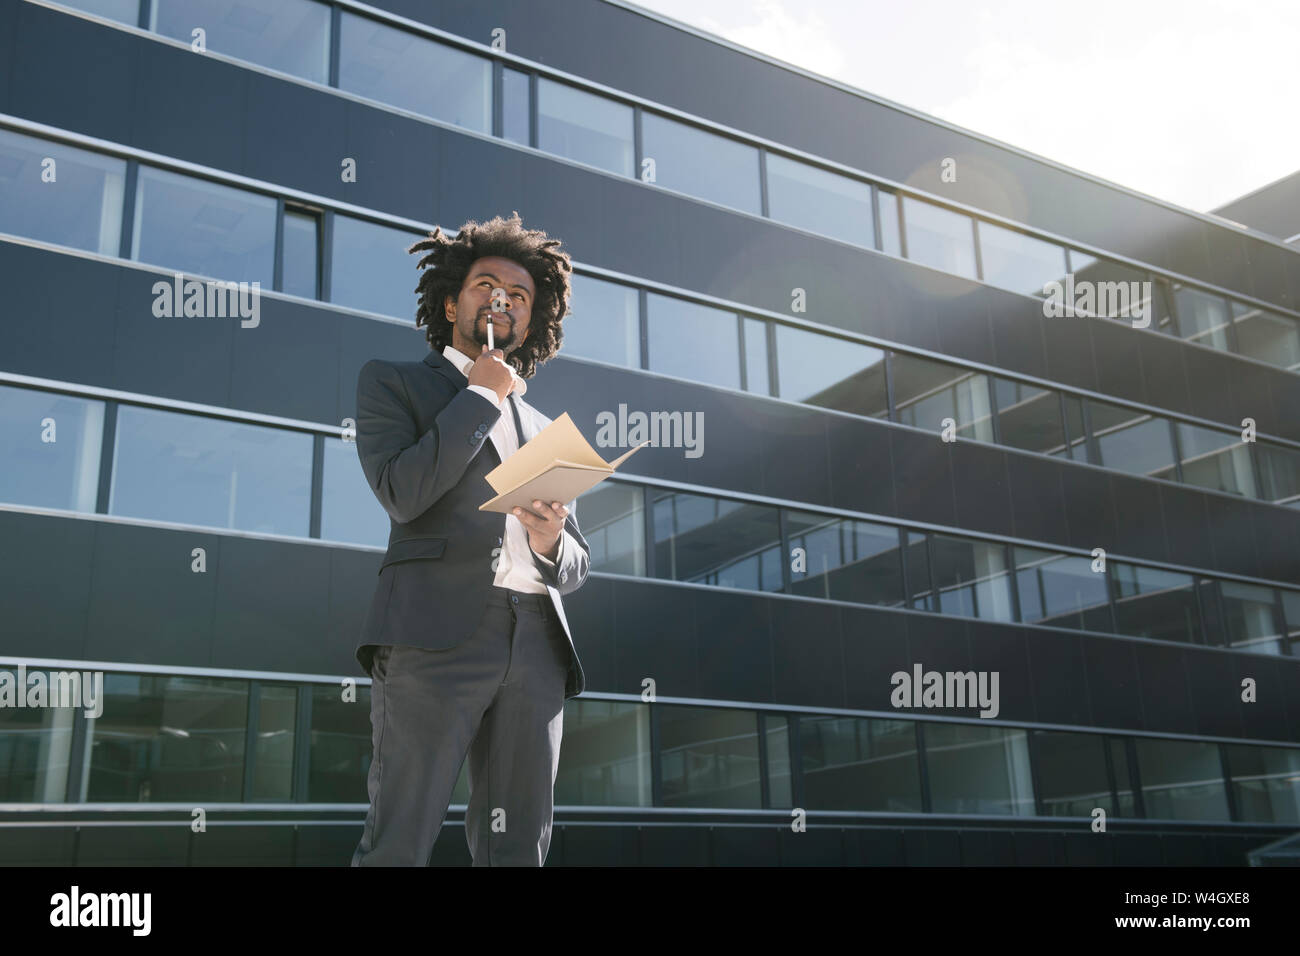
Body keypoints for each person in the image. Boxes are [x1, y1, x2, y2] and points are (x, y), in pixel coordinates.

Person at [350, 212, 588, 866]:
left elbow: (575, 565)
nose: (502, 300)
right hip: (433, 635)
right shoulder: (392, 382)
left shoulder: (544, 426)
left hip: (537, 639)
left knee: (519, 849)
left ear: (531, 321)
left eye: (519, 296)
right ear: (452, 300)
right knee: (400, 837)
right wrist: (480, 397)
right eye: (487, 285)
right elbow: (402, 491)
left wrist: (550, 541)